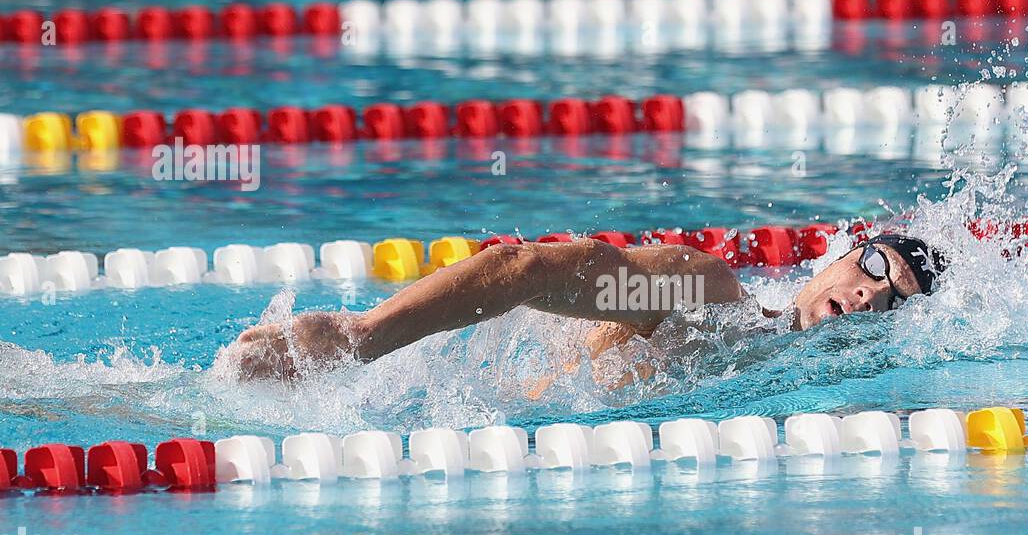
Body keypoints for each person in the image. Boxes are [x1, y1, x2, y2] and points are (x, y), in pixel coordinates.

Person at [231, 231, 946, 382]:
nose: (865, 294)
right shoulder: (706, 298)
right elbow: (525, 268)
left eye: (888, 303)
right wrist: (362, 337)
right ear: (841, 255)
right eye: (874, 268)